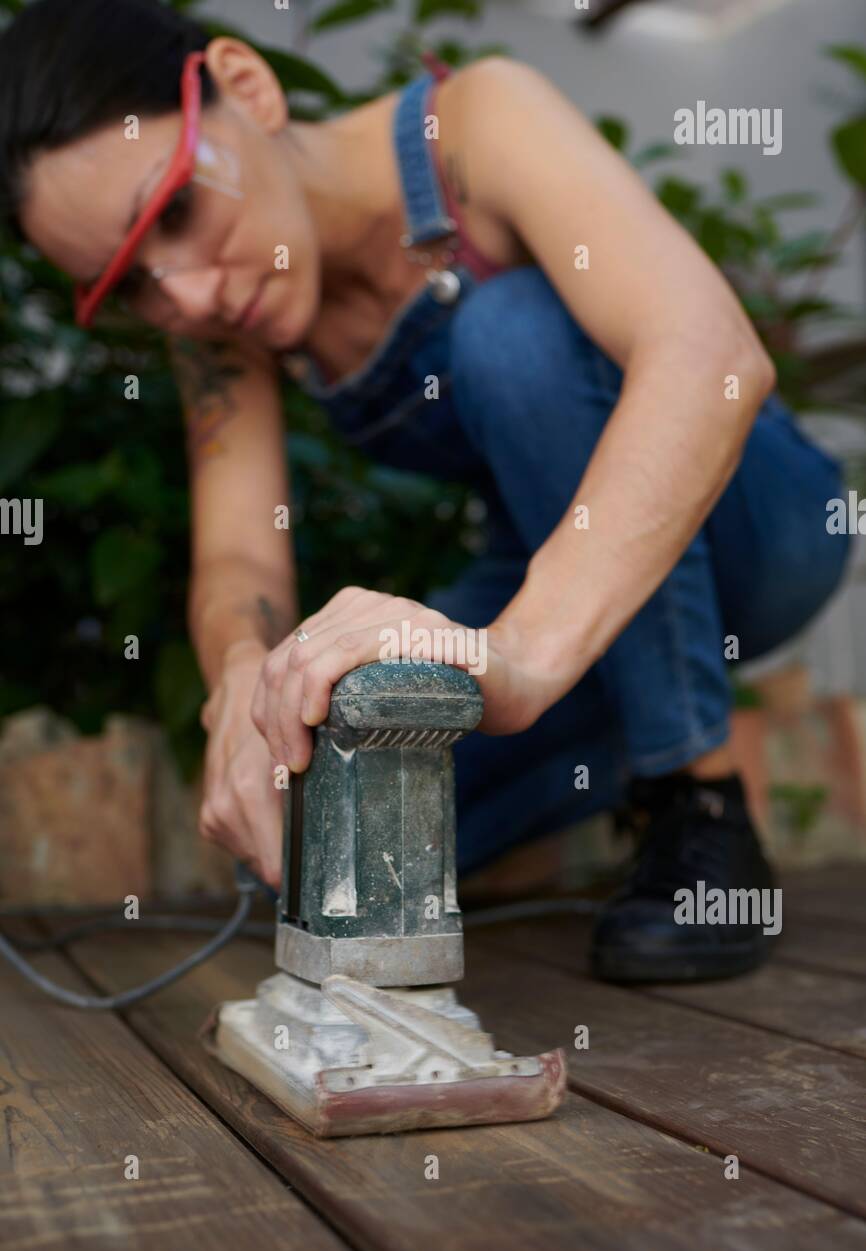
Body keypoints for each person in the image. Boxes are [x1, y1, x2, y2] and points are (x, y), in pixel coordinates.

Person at [0, 0, 851, 981]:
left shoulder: (475, 126)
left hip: (758, 524)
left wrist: (519, 652)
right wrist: (240, 674)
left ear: (245, 86)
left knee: (512, 336)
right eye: (132, 283)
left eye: (176, 210)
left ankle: (694, 795)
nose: (184, 297)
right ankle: (622, 734)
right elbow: (240, 553)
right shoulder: (216, 319)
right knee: (325, 842)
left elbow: (710, 359)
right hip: (577, 590)